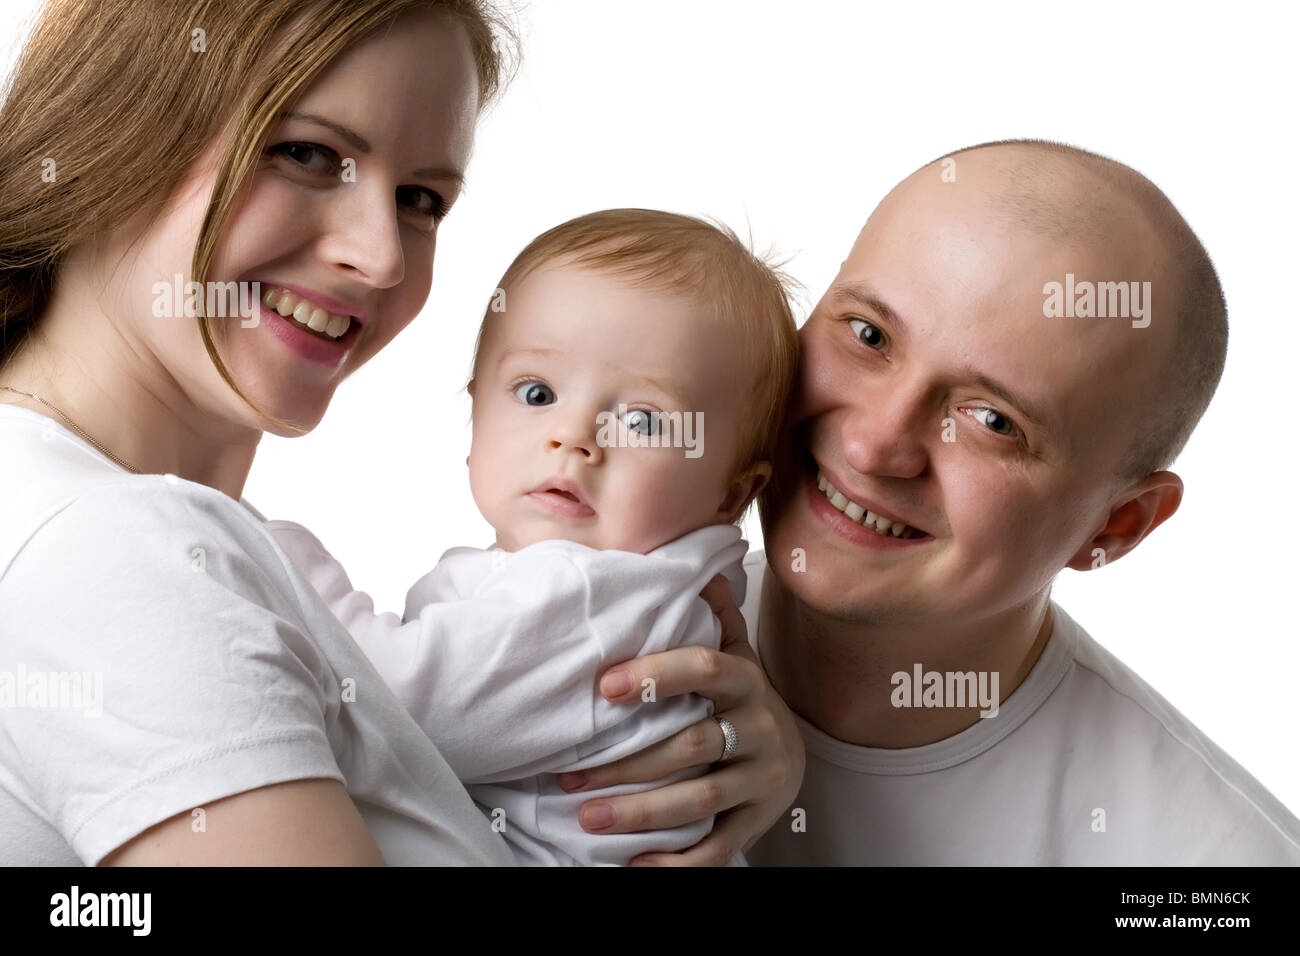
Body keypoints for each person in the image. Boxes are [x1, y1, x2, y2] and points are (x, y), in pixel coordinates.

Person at [0, 0, 802, 867]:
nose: (382, 256)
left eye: (420, 199)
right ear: (110, 128)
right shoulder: (118, 547)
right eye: (308, 153)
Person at [743, 139, 1300, 865]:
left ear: (1116, 525)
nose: (875, 445)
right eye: (869, 336)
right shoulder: (581, 634)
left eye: (995, 422)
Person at [268, 208, 799, 865]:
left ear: (733, 494)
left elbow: (392, 703)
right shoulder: (626, 592)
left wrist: (274, 556)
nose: (573, 436)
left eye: (642, 420)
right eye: (538, 393)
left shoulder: (592, 597)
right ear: (474, 412)